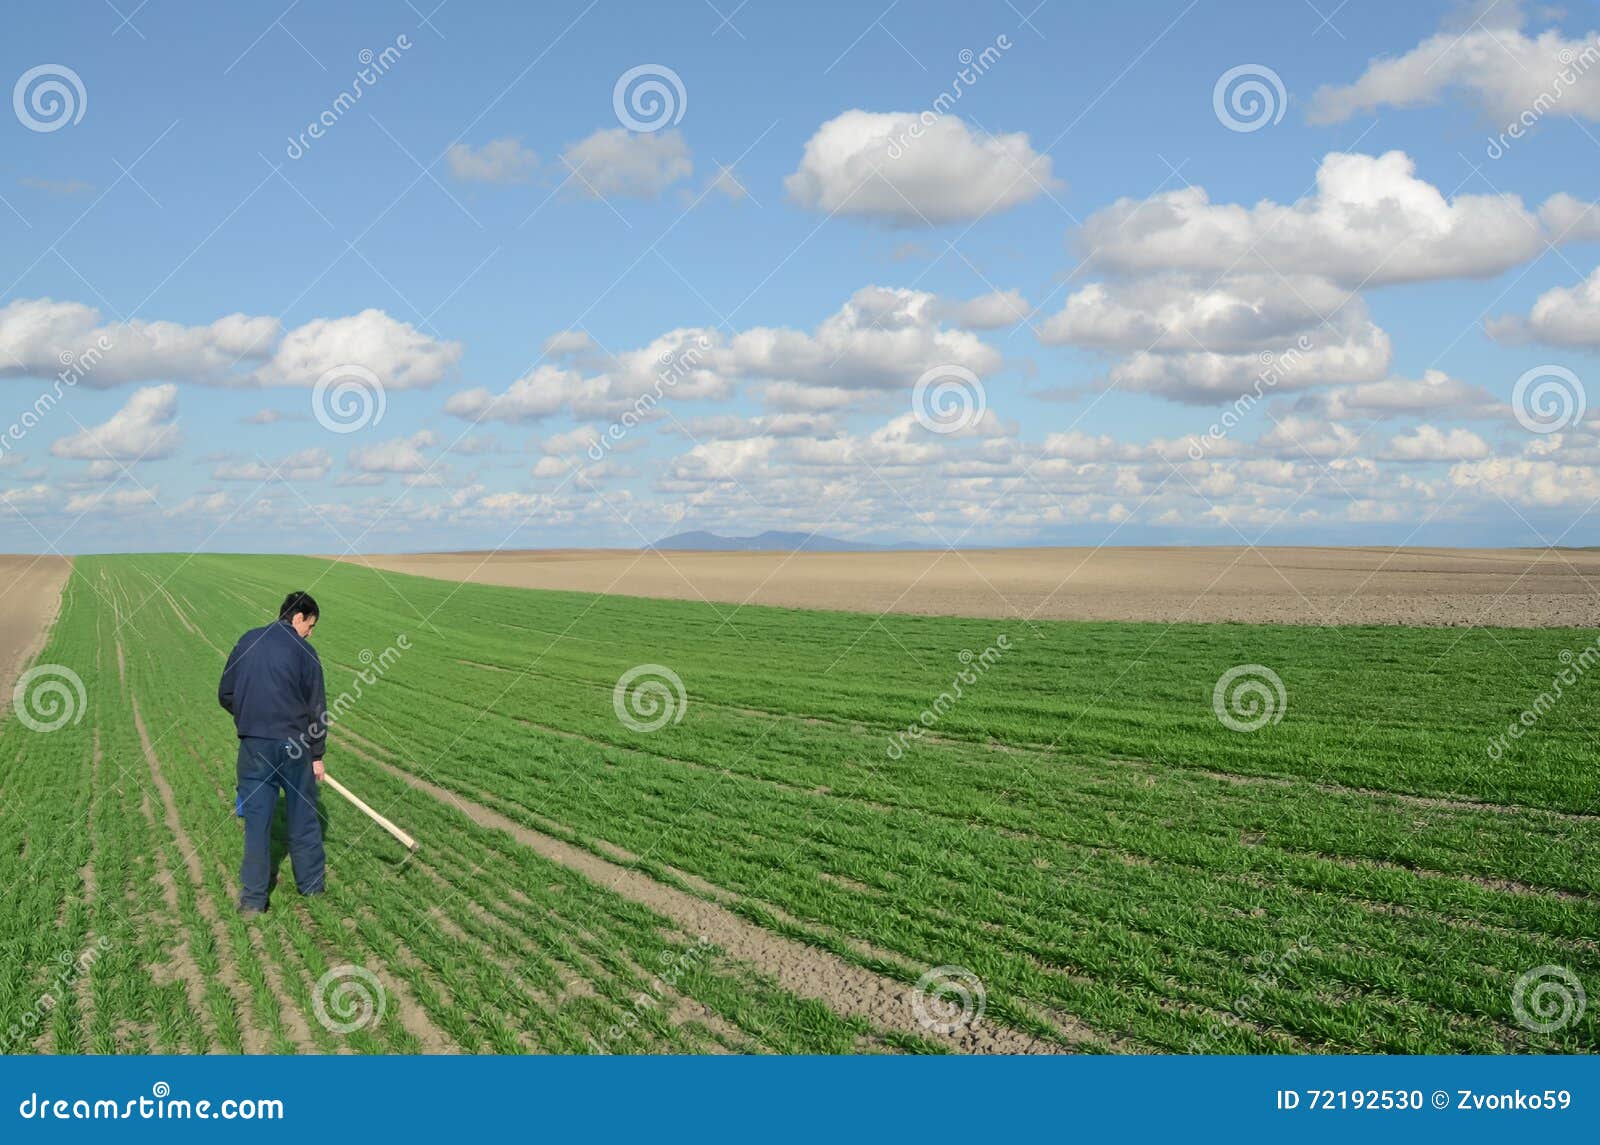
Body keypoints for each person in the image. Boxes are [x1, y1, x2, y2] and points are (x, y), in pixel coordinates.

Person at [217, 590, 329, 915]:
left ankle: (253, 900)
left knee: (256, 823)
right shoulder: (306, 653)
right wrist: (317, 755)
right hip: (295, 746)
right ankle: (311, 886)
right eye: (310, 625)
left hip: (254, 746)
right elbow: (317, 709)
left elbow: (225, 693)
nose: (309, 633)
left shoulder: (247, 640)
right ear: (298, 617)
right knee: (303, 816)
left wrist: (250, 718)